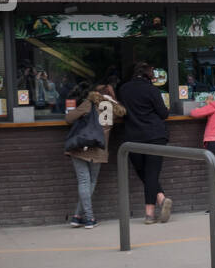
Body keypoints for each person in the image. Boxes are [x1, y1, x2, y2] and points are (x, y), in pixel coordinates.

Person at [64, 81, 126, 229]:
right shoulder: (113, 109)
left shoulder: (89, 104)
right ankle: (79, 216)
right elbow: (120, 118)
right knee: (90, 183)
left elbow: (69, 119)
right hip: (99, 148)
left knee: (84, 182)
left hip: (81, 146)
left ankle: (86, 217)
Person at [118, 63, 172, 225]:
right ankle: (156, 205)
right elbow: (163, 114)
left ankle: (155, 207)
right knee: (151, 174)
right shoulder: (152, 90)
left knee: (144, 173)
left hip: (133, 137)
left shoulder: (124, 90)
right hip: (155, 135)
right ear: (149, 75)